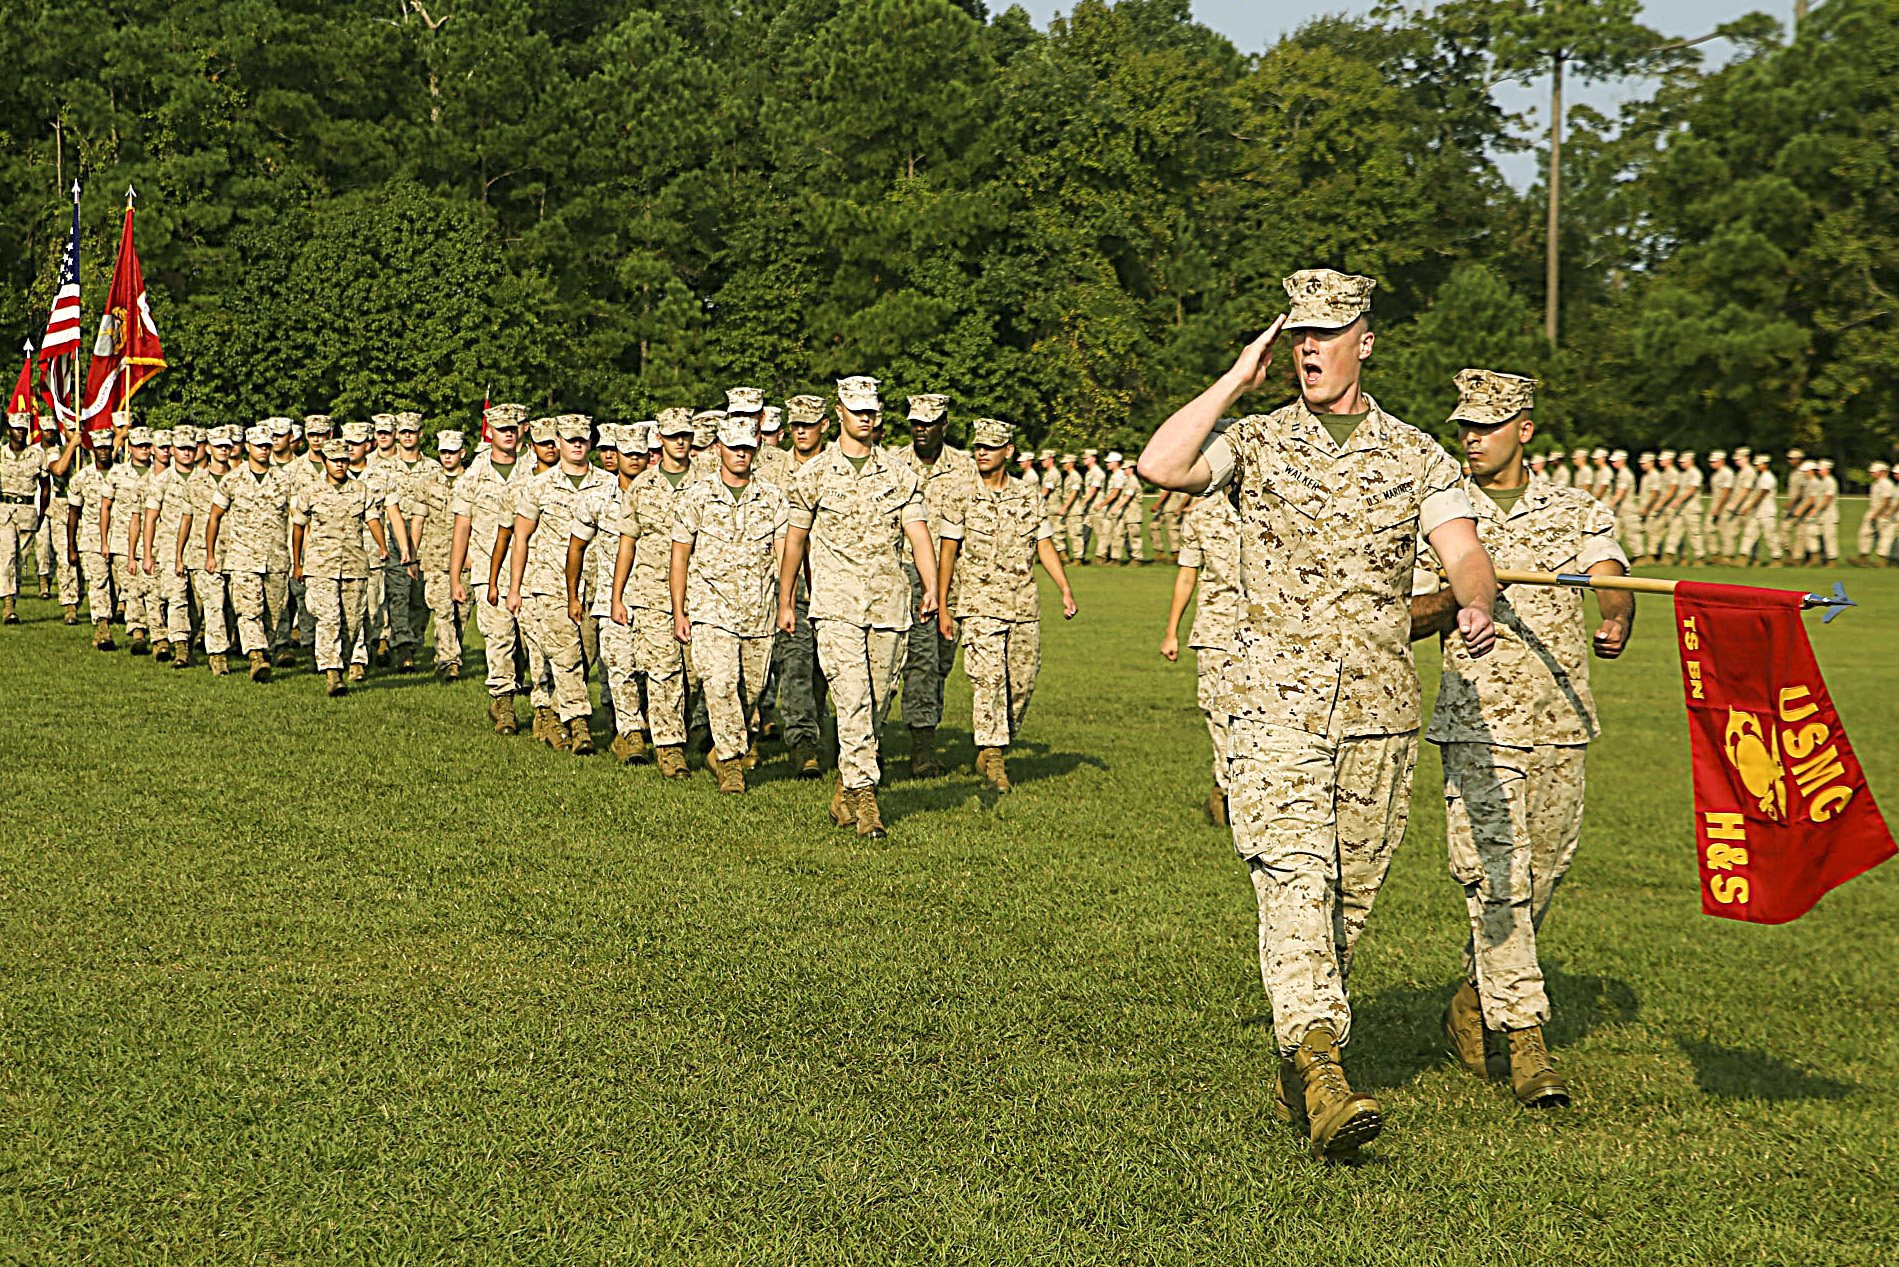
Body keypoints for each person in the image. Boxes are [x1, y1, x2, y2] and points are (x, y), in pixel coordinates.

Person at [1135, 268, 1497, 1161]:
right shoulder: (1253, 442)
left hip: (1377, 711)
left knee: (1348, 901)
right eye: (1296, 331)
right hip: (1272, 710)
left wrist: (1476, 603)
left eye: (1327, 331)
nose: (1308, 345)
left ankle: (1296, 1053)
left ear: (1363, 341)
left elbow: (1464, 551)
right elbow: (1161, 464)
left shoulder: (1416, 454)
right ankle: (1325, 1065)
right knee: (1294, 878)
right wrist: (1233, 377)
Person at [1409, 369, 1632, 1109]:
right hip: (1478, 720)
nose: (1469, 438)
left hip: (1560, 717)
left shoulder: (1575, 506)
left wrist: (1614, 616)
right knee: (1496, 876)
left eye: (1485, 426)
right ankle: (1528, 1040)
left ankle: (1475, 997)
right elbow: (1407, 611)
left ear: (1523, 429)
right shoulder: (1442, 511)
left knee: (1542, 873)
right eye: (1463, 426)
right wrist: (1461, 592)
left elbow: (1609, 572)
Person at [779, 376, 939, 839]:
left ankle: (845, 791)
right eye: (857, 409)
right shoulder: (812, 476)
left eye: (872, 410)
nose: (866, 417)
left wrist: (931, 587)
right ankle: (867, 798)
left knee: (876, 701)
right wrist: (787, 599)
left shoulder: (899, 474)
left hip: (889, 604)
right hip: (835, 606)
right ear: (841, 413)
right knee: (851, 699)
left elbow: (918, 533)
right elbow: (795, 542)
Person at [934, 418, 1077, 792]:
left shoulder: (1028, 495)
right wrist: (945, 605)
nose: (981, 452)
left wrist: (1064, 587)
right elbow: (948, 552)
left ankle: (994, 743)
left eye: (990, 447)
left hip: (1023, 603)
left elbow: (1044, 543)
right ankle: (993, 755)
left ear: (1008, 452)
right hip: (978, 603)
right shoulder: (960, 494)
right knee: (988, 680)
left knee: (1022, 682)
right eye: (977, 446)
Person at [670, 414, 790, 793]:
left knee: (750, 692)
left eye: (747, 447)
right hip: (711, 609)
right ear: (719, 448)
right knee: (720, 683)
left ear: (755, 449)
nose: (740, 453)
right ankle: (730, 762)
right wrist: (679, 610)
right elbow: (680, 557)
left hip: (759, 610)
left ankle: (723, 747)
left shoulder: (772, 498)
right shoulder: (697, 497)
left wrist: (786, 602)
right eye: (733, 446)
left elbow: (785, 553)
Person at [507, 415, 607, 755]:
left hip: (597, 585)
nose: (577, 445)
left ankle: (549, 710)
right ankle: (578, 723)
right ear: (559, 442)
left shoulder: (609, 484)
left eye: (583, 439)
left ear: (590, 442)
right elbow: (520, 538)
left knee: (589, 653)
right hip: (549, 584)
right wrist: (515, 587)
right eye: (570, 439)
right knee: (567, 656)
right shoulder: (539, 486)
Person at [612, 408, 701, 778]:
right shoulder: (642, 487)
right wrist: (617, 596)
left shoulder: (708, 481)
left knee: (696, 675)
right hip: (651, 592)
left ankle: (698, 735)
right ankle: (669, 747)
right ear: (659, 440)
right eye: (672, 435)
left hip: (701, 591)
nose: (680, 441)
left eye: (685, 435)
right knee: (663, 671)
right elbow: (627, 542)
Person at [889, 393, 974, 778]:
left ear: (944, 424)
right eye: (915, 423)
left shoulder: (966, 468)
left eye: (928, 423)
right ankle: (917, 745)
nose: (920, 430)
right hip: (896, 578)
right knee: (898, 664)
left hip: (948, 582)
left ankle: (923, 733)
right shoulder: (891, 464)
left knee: (938, 663)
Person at [1160, 487, 1243, 826]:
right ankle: (1227, 792)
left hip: (1271, 630)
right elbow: (1187, 575)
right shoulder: (1201, 516)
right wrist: (1172, 630)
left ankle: (1255, 794)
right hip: (1217, 629)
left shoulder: (1278, 507)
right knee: (1219, 714)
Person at [450, 404, 534, 732]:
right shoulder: (474, 474)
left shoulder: (536, 468)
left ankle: (546, 707)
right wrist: (457, 575)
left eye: (514, 428)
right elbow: (461, 526)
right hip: (488, 570)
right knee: (499, 637)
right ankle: (504, 704)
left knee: (532, 641)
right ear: (491, 432)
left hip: (531, 569)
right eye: (502, 429)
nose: (509, 434)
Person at [293, 439, 397, 696]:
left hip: (354, 565)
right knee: (328, 619)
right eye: (334, 460)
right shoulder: (310, 490)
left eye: (343, 461)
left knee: (352, 622)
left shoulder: (361, 490)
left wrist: (382, 546)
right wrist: (297, 562)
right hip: (320, 567)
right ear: (325, 461)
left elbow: (372, 519)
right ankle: (332, 673)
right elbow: (298, 526)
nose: (340, 465)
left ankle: (344, 660)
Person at [568, 424, 647, 764]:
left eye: (640, 454)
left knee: (655, 673)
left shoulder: (663, 497)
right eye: (627, 454)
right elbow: (577, 548)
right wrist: (574, 594)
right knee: (620, 667)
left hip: (655, 598)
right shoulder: (597, 498)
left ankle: (657, 733)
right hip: (611, 600)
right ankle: (630, 734)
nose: (633, 460)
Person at [770, 395, 833, 779]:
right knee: (793, 668)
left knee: (825, 673)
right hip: (791, 589)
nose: (801, 432)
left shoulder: (836, 469)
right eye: (795, 425)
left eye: (808, 425)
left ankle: (819, 732)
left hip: (833, 587)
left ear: (824, 425)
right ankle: (802, 744)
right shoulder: (773, 471)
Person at [205, 425, 295, 681]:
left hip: (277, 558)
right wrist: (211, 554)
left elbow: (298, 518)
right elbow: (214, 517)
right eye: (259, 445)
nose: (264, 450)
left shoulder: (285, 480)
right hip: (243, 558)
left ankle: (272, 647)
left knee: (276, 612)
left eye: (268, 445)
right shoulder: (233, 480)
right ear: (247, 447)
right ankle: (256, 657)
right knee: (248, 611)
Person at [3, 415, 76, 624]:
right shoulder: (1, 454)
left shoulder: (36, 456)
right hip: (4, 509)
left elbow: (45, 486)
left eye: (23, 429)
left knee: (20, 559)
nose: (20, 433)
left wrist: (41, 512)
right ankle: (9, 606)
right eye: (16, 429)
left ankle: (13, 595)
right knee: (6, 556)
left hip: (27, 511)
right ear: (9, 430)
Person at [408, 428, 469, 679]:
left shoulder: (473, 482)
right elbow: (418, 520)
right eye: (443, 452)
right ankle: (449, 660)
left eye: (452, 452)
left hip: (467, 558)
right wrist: (412, 556)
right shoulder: (427, 483)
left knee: (462, 614)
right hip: (434, 557)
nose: (447, 457)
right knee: (442, 611)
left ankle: (447, 654)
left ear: (462, 453)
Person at [178, 426, 235, 674]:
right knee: (211, 605)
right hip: (202, 553)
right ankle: (217, 655)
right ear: (209, 448)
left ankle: (230, 645)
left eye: (227, 445)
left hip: (236, 551)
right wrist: (179, 556)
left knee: (232, 608)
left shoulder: (239, 479)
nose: (223, 449)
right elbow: (186, 519)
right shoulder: (195, 482)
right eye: (218, 445)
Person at [101, 423, 158, 656]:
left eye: (147, 445)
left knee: (154, 589)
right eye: (139, 445)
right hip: (123, 541)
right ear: (130, 447)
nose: (144, 449)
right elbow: (105, 507)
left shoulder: (161, 473)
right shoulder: (117, 473)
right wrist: (104, 541)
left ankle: (158, 632)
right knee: (131, 588)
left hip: (155, 540)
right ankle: (137, 631)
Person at [1734, 451, 1782, 566]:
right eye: (1755, 465)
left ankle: (1777, 558)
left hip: (1767, 512)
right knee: (1749, 533)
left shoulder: (1768, 478)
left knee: (1770, 536)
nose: (1756, 467)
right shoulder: (1760, 478)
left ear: (1765, 464)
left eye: (1758, 464)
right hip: (1757, 512)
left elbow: (1761, 495)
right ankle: (1743, 557)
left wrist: (1749, 507)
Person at [1661, 450, 1705, 565]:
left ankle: (1699, 557)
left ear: (1690, 461)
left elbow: (1692, 490)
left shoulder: (1695, 473)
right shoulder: (1682, 475)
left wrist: (1678, 501)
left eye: (1684, 462)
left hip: (1692, 509)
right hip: (1681, 510)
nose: (1681, 464)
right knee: (1674, 532)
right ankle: (1669, 556)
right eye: (1680, 462)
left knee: (1694, 534)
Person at [1705, 450, 1735, 564]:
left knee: (1725, 532)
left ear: (1722, 461)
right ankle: (1715, 555)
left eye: (1714, 461)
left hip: (1724, 506)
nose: (1712, 464)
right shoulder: (1716, 475)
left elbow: (1726, 492)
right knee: (1708, 529)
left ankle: (1727, 556)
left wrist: (1718, 507)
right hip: (1715, 505)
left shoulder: (1727, 473)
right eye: (1711, 461)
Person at [1810, 458, 1840, 566]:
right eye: (1819, 470)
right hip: (1821, 515)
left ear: (1828, 469)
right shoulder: (1822, 482)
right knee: (1816, 535)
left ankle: (1832, 560)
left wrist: (1816, 509)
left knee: (1829, 538)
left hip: (1829, 515)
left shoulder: (1830, 481)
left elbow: (1828, 497)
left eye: (1822, 469)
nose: (1819, 471)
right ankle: (1818, 559)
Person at [1057, 453, 1085, 562]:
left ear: (1072, 463)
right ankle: (1067, 556)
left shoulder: (1075, 476)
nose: (1064, 465)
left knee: (1076, 535)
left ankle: (1078, 558)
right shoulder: (1068, 477)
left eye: (1066, 463)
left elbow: (1074, 493)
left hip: (1074, 510)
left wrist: (1064, 507)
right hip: (1070, 510)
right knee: (1066, 532)